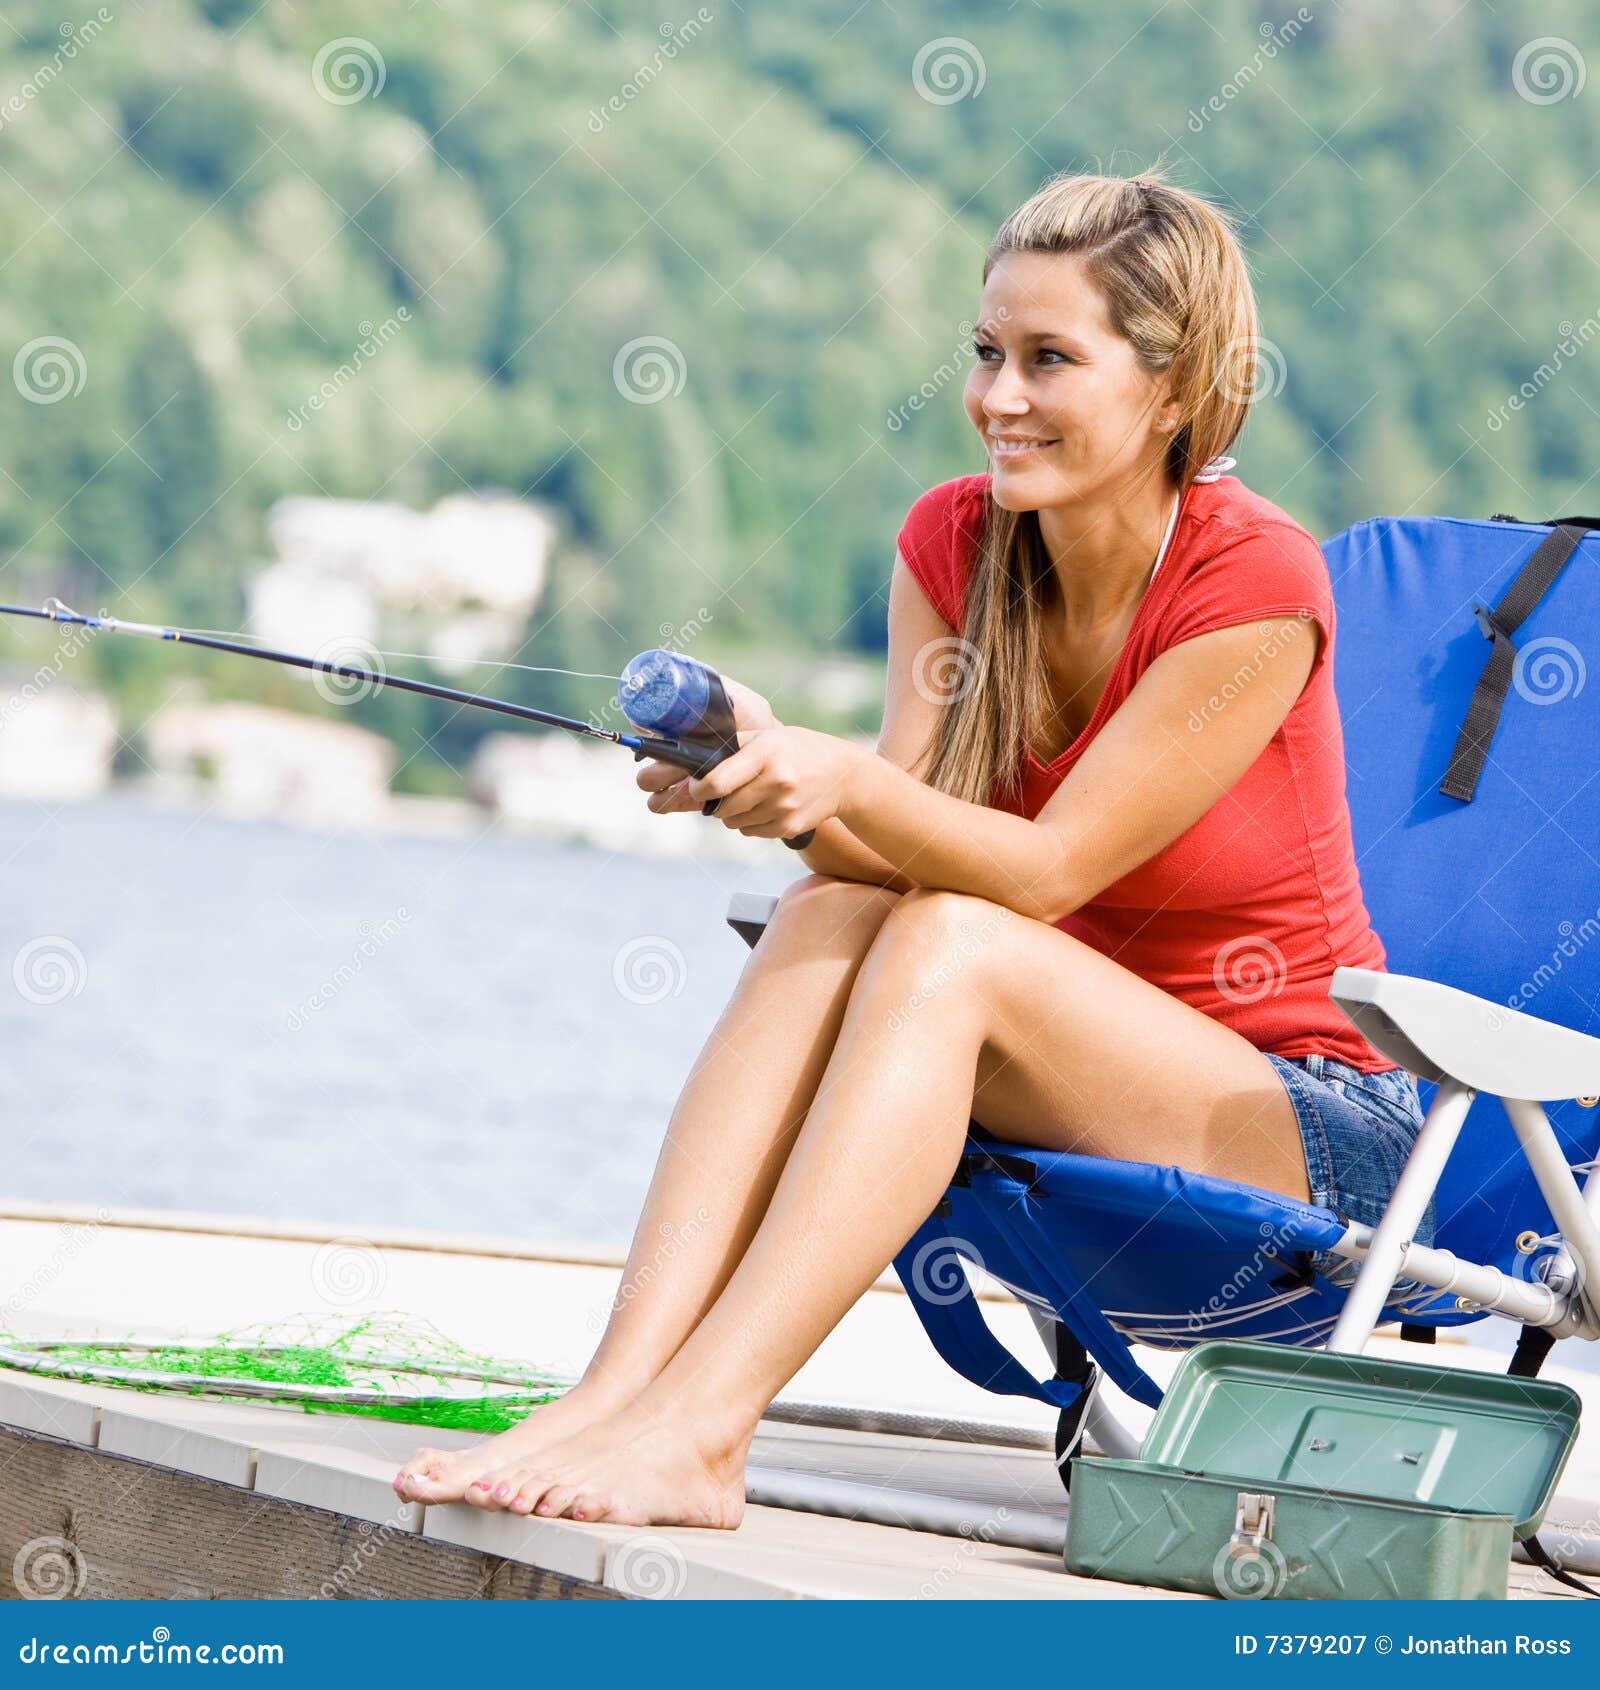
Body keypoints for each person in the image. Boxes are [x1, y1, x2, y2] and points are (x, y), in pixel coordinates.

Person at [394, 167, 1428, 1528]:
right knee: (829, 908)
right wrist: (776, 781)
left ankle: (704, 1432)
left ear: (1174, 390)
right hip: (1057, 1063)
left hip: (1312, 1127)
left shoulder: (1253, 582)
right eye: (987, 353)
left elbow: (1049, 871)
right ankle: (618, 1394)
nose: (999, 395)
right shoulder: (955, 540)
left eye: (1049, 358)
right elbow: (901, 838)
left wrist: (839, 781)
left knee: (949, 940)